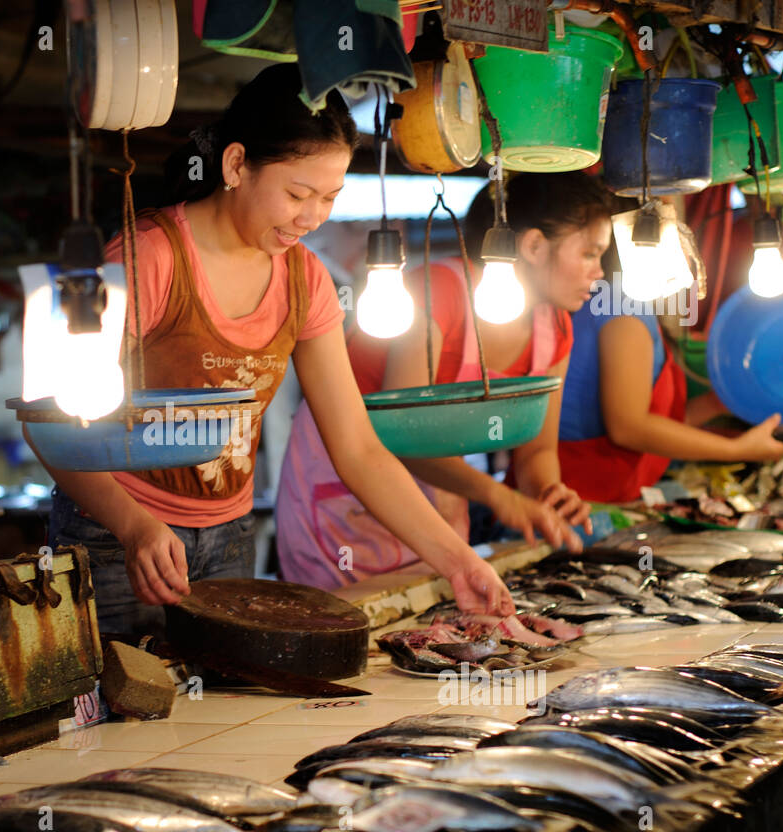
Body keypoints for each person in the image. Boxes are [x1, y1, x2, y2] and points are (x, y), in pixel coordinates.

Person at [34, 63, 514, 638]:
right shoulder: (149, 260)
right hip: (113, 535)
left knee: (218, 715)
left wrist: (459, 561)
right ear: (236, 165)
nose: (311, 218)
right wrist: (134, 526)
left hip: (228, 536)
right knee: (121, 716)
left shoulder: (305, 280)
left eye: (330, 198)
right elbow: (48, 422)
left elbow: (358, 448)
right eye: (296, 194)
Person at [276, 172, 608, 591]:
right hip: (346, 484)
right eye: (590, 254)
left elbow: (537, 450)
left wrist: (546, 495)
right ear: (535, 246)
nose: (598, 273)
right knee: (342, 625)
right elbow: (405, 439)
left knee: (438, 624)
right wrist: (497, 496)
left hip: (441, 489)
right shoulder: (441, 291)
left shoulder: (555, 328)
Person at [557, 234, 783, 504]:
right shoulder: (621, 308)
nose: (687, 248)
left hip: (603, 493)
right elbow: (629, 428)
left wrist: (719, 403)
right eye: (674, 233)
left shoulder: (629, 302)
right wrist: (737, 449)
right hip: (579, 498)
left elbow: (657, 424)